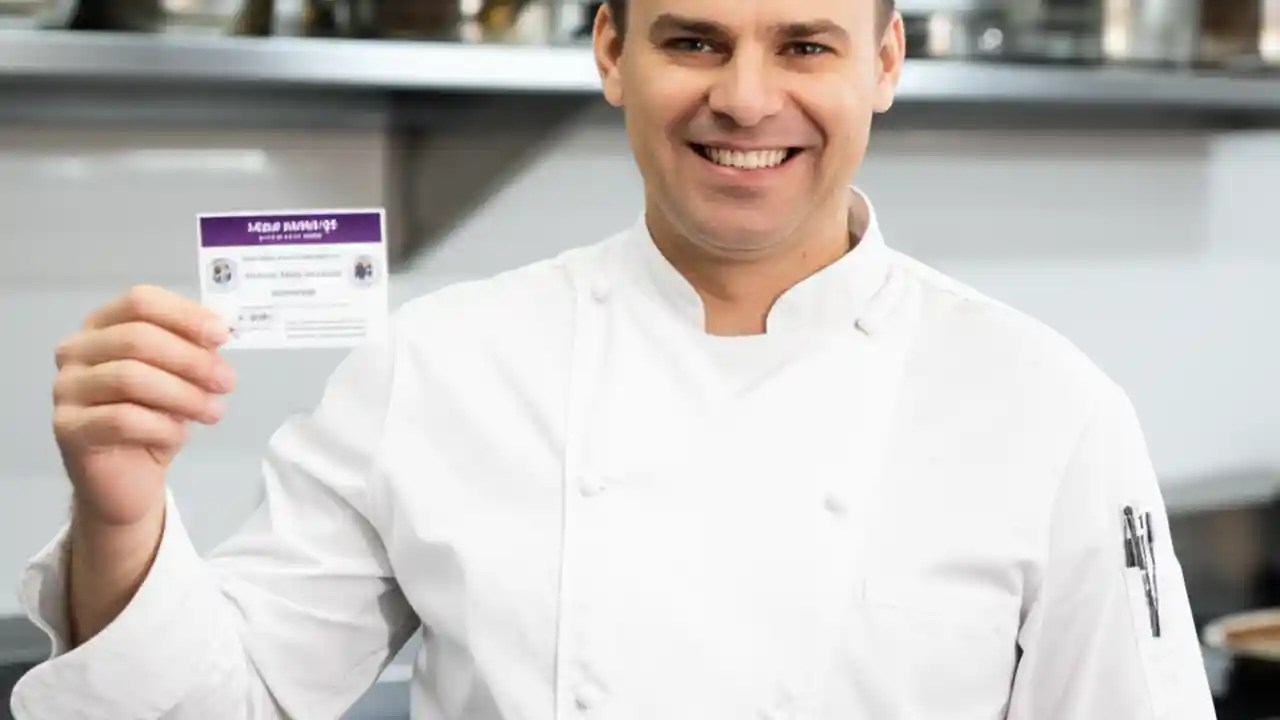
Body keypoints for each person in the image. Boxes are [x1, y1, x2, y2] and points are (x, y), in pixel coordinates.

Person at [11, 0, 1217, 717]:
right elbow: (231, 706)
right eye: (691, 40)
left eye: (803, 46)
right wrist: (120, 513)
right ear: (609, 52)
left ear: (883, 65)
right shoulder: (438, 366)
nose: (745, 101)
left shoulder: (1047, 410)